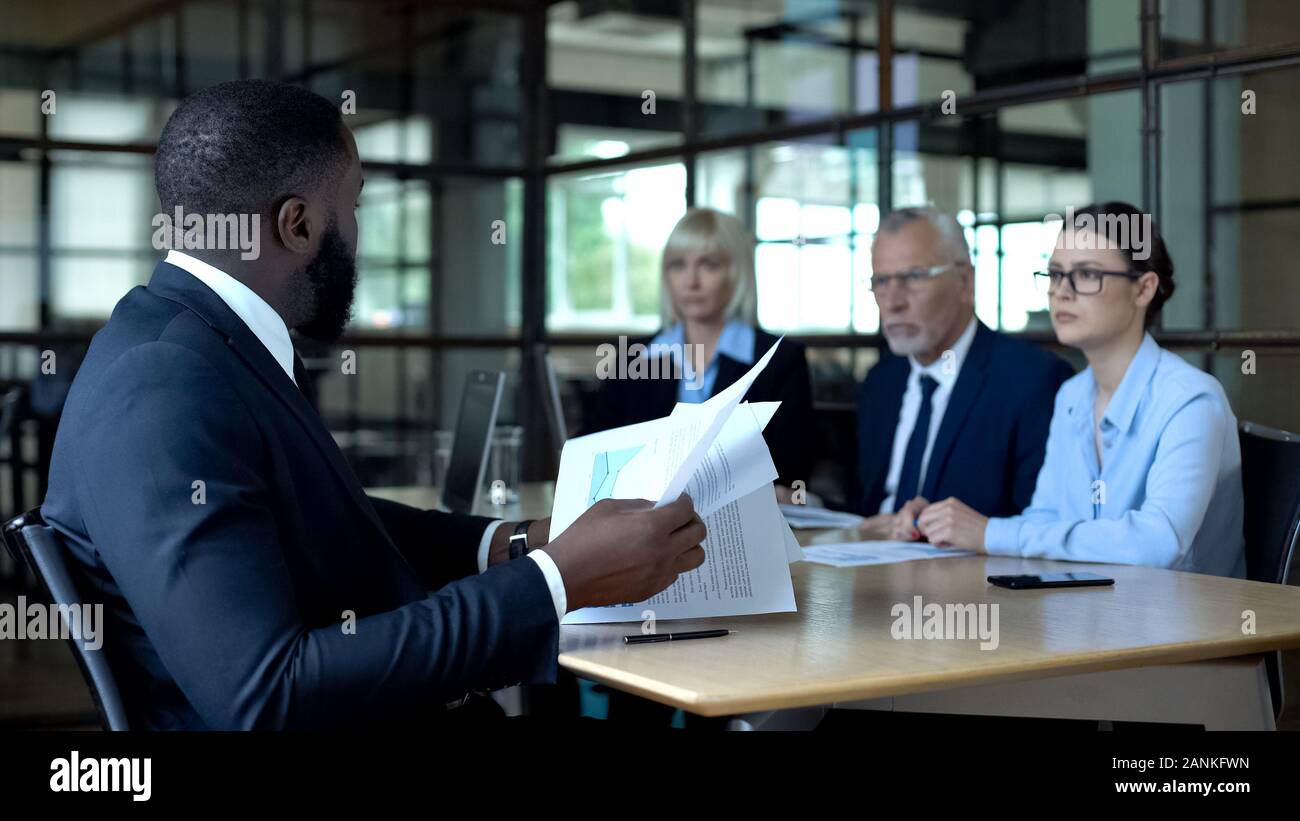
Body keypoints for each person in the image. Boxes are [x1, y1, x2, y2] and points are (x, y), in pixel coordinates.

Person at [40, 80, 708, 730]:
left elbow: (316, 511)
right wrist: (557, 580)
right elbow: (270, 695)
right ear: (297, 224)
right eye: (353, 208)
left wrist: (510, 542)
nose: (357, 237)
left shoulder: (202, 341)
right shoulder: (162, 387)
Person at [917, 201, 1246, 578]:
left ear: (1143, 289)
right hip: (1091, 614)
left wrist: (992, 532)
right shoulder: (1071, 395)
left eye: (1087, 274)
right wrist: (943, 526)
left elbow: (1158, 543)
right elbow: (1044, 517)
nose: (1062, 292)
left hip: (1188, 626)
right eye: (1056, 274)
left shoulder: (1191, 400)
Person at [854, 207, 1074, 539]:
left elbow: (1043, 525)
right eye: (881, 281)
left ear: (964, 282)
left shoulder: (1032, 380)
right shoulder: (881, 382)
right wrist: (804, 502)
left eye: (913, 276)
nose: (893, 301)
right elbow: (860, 507)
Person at [585, 208, 815, 495]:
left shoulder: (780, 360)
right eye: (677, 265)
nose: (691, 282)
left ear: (736, 272)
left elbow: (793, 468)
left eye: (709, 265)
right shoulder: (635, 356)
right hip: (643, 524)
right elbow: (592, 453)